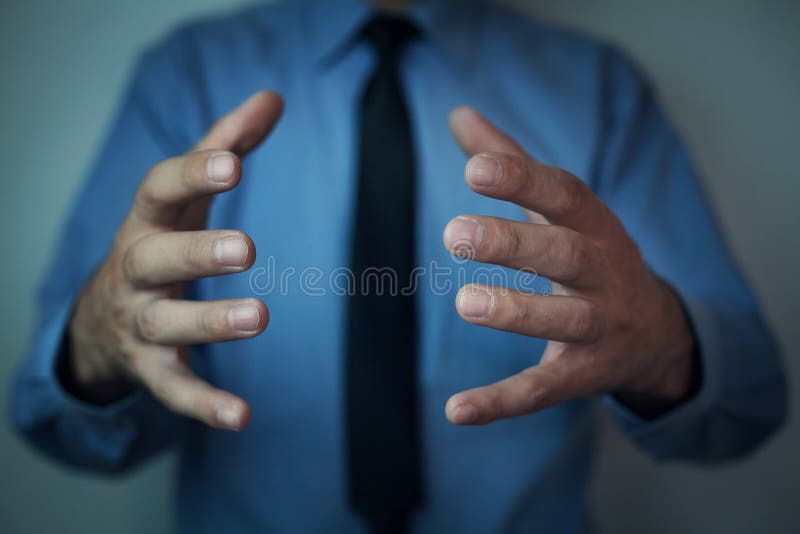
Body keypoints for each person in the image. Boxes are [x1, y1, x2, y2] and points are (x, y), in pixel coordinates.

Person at [12, 0, 787, 532]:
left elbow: (749, 402)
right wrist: (98, 346)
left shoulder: (601, 87)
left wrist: (660, 343)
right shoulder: (186, 75)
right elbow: (54, 422)